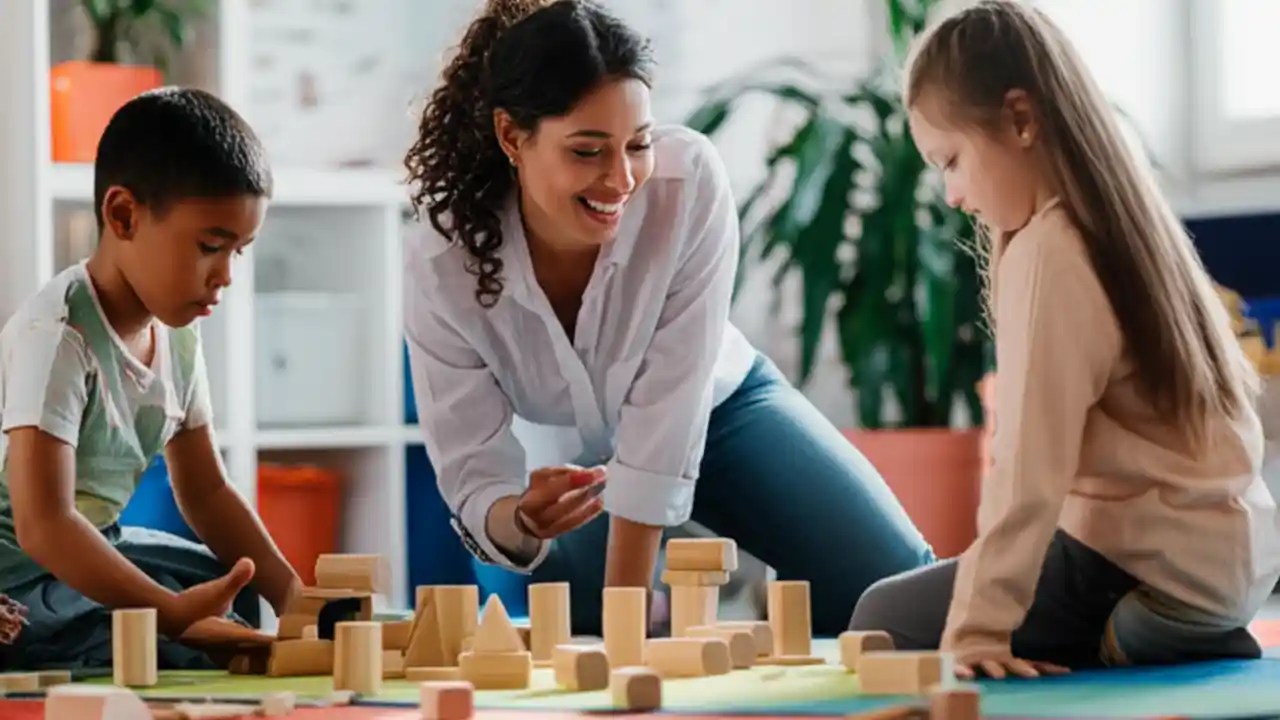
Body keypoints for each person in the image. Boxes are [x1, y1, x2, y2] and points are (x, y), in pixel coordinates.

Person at [402, 0, 933, 637]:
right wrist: (519, 517)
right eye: (588, 150)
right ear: (513, 137)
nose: (621, 178)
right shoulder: (444, 257)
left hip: (723, 407)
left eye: (638, 144)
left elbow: (668, 412)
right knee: (566, 624)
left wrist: (623, 633)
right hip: (582, 463)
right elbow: (469, 462)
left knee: (902, 599)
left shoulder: (686, 185)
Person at [849, 0, 1280, 680]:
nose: (951, 194)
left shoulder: (1052, 250)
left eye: (952, 160)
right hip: (1226, 559)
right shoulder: (1126, 221)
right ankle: (1154, 631)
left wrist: (981, 628)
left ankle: (1147, 633)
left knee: (882, 619)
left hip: (1145, 566)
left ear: (1020, 120)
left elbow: (1029, 469)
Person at [0, 87, 302, 670]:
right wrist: (167, 613)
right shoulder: (59, 334)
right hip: (16, 574)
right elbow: (44, 526)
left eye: (239, 251)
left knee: (220, 584)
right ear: (123, 216)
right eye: (211, 246)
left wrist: (292, 595)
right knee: (165, 649)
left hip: (95, 547)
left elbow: (207, 491)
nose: (226, 276)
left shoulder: (180, 335)